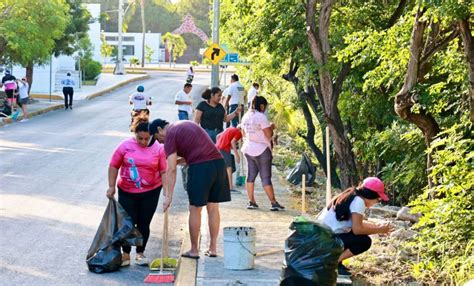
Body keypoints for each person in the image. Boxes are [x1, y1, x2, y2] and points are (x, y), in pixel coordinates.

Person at [148, 119, 230, 258]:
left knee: (195, 209)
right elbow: (190, 155)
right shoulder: (184, 124)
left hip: (201, 168)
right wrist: (177, 162)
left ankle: (194, 250)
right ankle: (213, 248)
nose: (160, 143)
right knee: (213, 208)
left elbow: (171, 169)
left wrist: (168, 196)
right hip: (218, 164)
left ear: (160, 129)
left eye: (157, 138)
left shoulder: (170, 135)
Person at [106, 114, 167, 266]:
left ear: (152, 135)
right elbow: (114, 165)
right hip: (127, 191)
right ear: (135, 134)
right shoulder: (125, 146)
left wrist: (167, 193)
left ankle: (140, 253)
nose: (143, 142)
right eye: (140, 138)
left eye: (147, 138)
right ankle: (125, 254)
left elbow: (164, 171)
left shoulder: (159, 149)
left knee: (143, 223)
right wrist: (111, 186)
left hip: (151, 192)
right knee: (127, 223)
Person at [319, 177, 394, 277]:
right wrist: (379, 230)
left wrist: (377, 227)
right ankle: (330, 263)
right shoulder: (359, 202)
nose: (377, 202)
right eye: (378, 199)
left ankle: (336, 262)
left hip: (321, 236)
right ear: (371, 195)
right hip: (325, 240)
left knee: (352, 235)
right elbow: (357, 230)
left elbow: (357, 223)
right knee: (364, 241)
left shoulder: (352, 195)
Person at [241, 96, 284, 211]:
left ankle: (251, 201)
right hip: (262, 149)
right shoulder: (261, 117)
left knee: (250, 176)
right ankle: (273, 203)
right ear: (261, 105)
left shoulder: (245, 116)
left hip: (248, 148)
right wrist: (272, 127)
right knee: (265, 177)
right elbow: (268, 135)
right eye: (264, 106)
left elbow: (243, 134)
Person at [216, 126, 243, 193]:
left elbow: (218, 136)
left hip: (217, 147)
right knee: (229, 168)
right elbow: (233, 142)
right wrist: (237, 155)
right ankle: (230, 187)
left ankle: (221, 185)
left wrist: (219, 143)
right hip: (224, 149)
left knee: (223, 167)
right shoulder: (239, 132)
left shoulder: (230, 128)